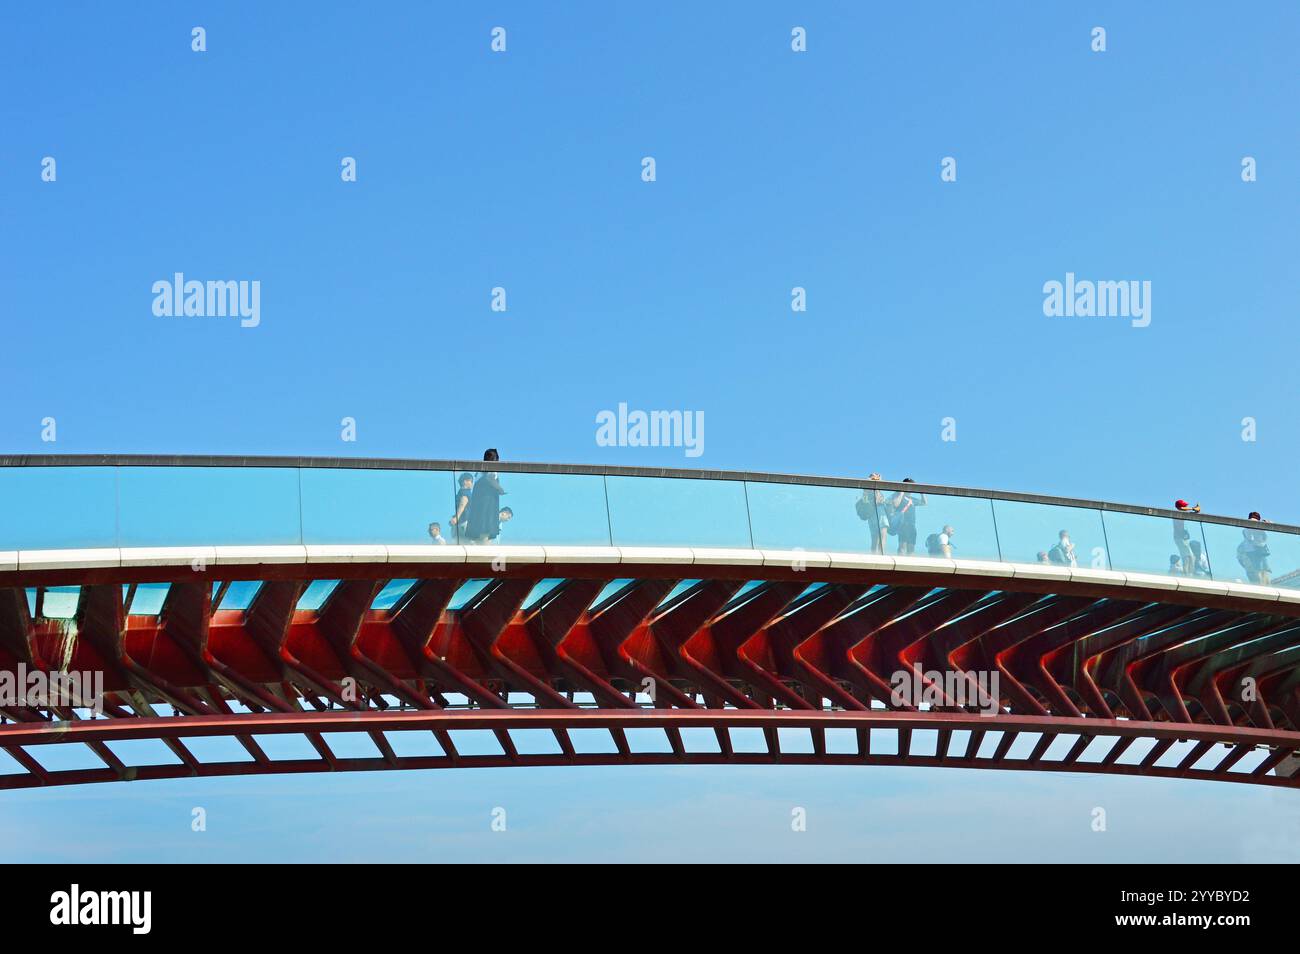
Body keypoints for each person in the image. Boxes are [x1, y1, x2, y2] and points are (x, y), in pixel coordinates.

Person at [464, 471, 507, 543]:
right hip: (487, 507)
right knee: (485, 532)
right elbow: (490, 477)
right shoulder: (490, 471)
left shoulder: (479, 475)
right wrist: (500, 489)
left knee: (480, 535)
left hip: (479, 507)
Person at [889, 478, 926, 555]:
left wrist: (922, 492)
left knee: (911, 547)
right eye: (910, 486)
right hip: (903, 524)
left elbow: (924, 503)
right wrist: (901, 493)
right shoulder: (898, 495)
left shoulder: (912, 499)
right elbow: (895, 504)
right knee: (902, 545)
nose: (911, 488)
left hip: (912, 525)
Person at [855, 474, 889, 554]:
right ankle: (881, 555)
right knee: (882, 535)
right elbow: (876, 500)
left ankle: (875, 556)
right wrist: (876, 485)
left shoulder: (866, 491)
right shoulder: (870, 491)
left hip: (872, 516)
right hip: (878, 514)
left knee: (875, 538)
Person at [1238, 512, 1271, 585]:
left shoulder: (1261, 539)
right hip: (1251, 557)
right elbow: (1240, 559)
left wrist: (1267, 524)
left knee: (1265, 581)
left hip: (1260, 557)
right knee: (1256, 580)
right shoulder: (1244, 544)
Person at [450, 473, 474, 542]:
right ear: (465, 481)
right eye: (471, 481)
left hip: (461, 522)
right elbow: (462, 504)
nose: (472, 483)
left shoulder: (460, 492)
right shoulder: (465, 492)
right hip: (464, 522)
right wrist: (456, 517)